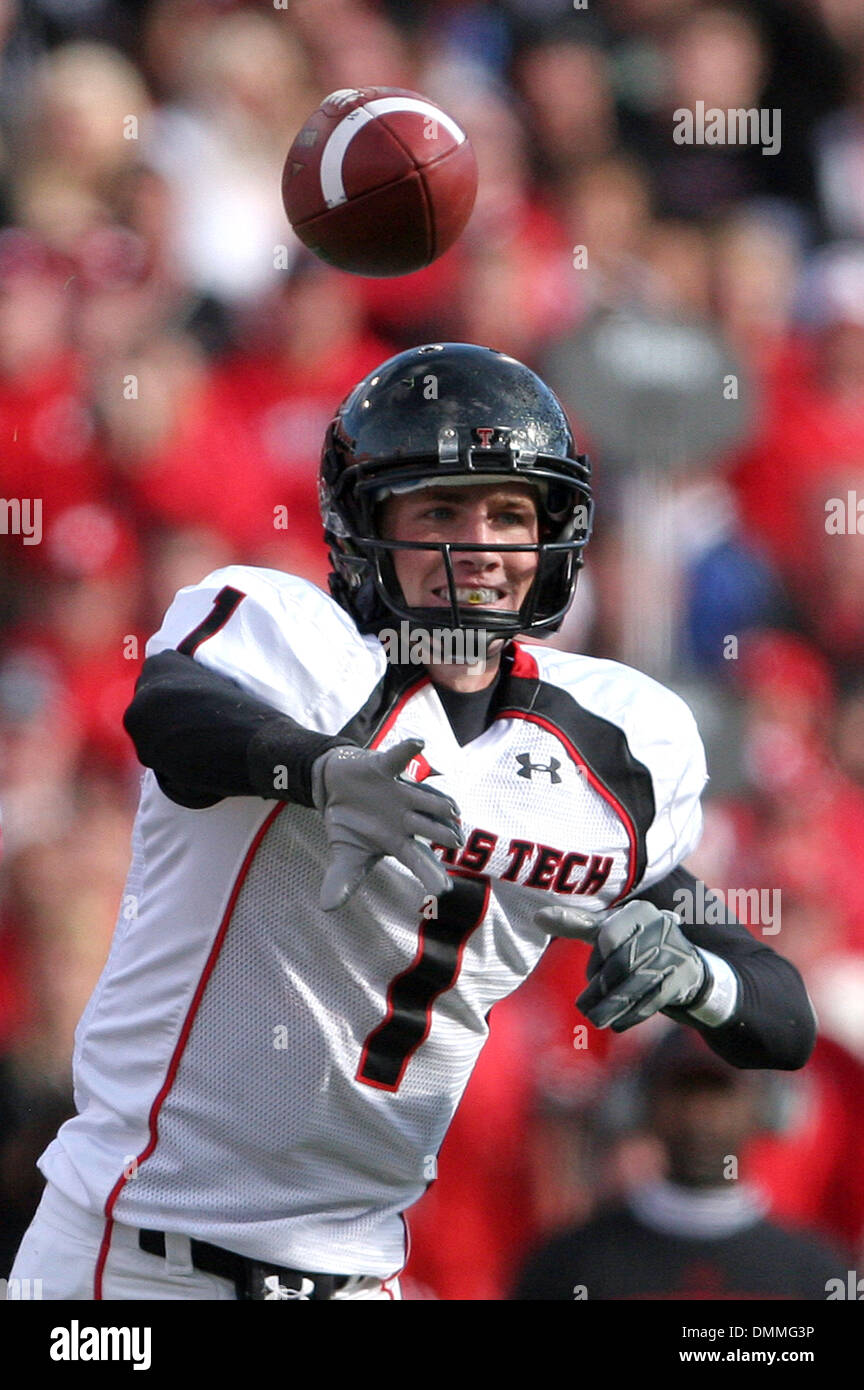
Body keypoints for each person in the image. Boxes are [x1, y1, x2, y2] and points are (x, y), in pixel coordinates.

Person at [7, 343, 815, 1301]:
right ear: (364, 525)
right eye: (440, 508)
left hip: (359, 1271)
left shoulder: (607, 749)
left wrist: (699, 978)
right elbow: (171, 713)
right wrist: (321, 773)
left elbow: (782, 1016)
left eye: (510, 514)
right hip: (139, 1251)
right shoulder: (296, 654)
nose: (477, 546)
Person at [510, 1027, 845, 1300]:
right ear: (639, 1106)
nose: (699, 1117)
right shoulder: (567, 1264)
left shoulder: (817, 1272)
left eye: (720, 1094)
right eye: (682, 1093)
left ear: (767, 1109)